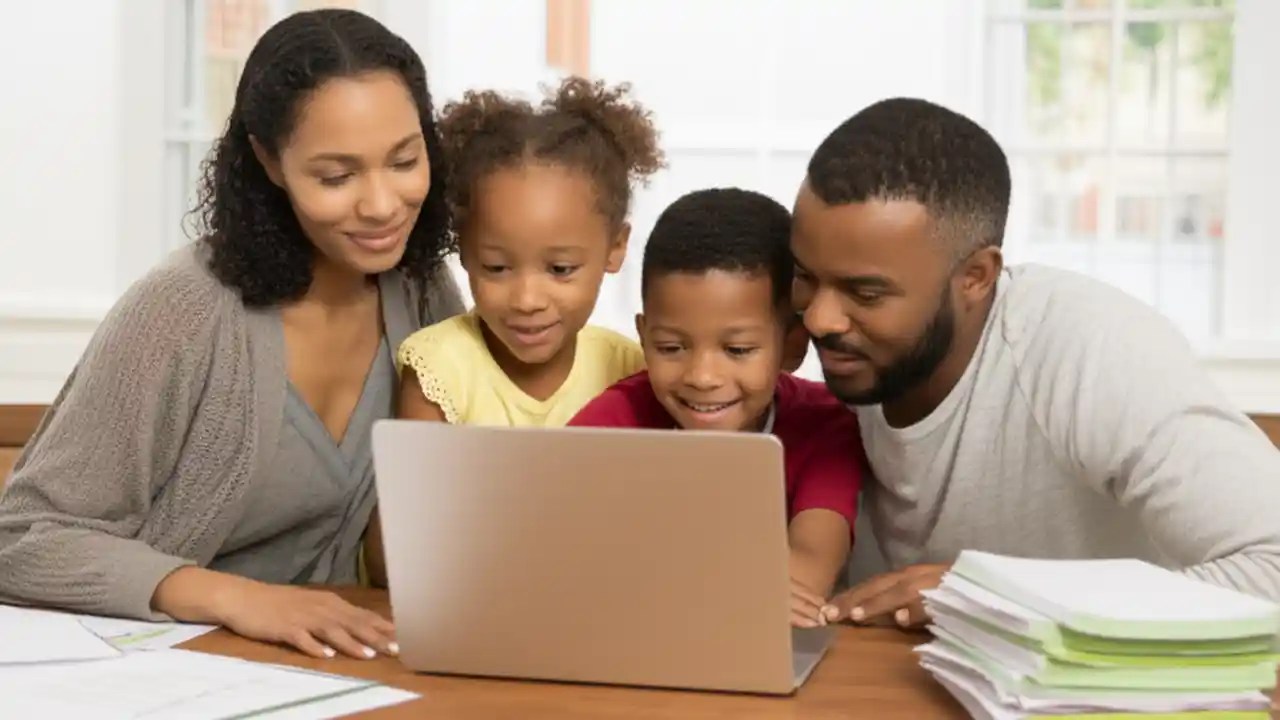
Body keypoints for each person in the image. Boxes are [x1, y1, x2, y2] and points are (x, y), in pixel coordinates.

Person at [0, 9, 464, 660]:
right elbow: (22, 540)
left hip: (341, 662)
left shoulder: (424, 290)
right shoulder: (181, 311)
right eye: (336, 176)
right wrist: (239, 598)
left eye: (405, 160)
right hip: (171, 668)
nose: (383, 204)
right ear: (270, 162)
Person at [787, 97, 1280, 629]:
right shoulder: (831, 356)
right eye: (805, 277)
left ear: (975, 276)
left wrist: (1000, 596)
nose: (818, 318)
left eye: (865, 292)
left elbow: (1271, 565)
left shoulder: (1092, 352)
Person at [568, 188, 867, 628]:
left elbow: (808, 571)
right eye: (671, 347)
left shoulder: (825, 426)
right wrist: (738, 588)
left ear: (792, 345)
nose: (702, 376)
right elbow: (559, 551)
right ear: (644, 336)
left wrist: (650, 579)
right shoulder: (621, 416)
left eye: (738, 349)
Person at [394, 77, 664, 428]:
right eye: (496, 267)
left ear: (615, 248)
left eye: (560, 269)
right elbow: (420, 482)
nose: (527, 300)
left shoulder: (629, 368)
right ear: (463, 248)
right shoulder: (438, 367)